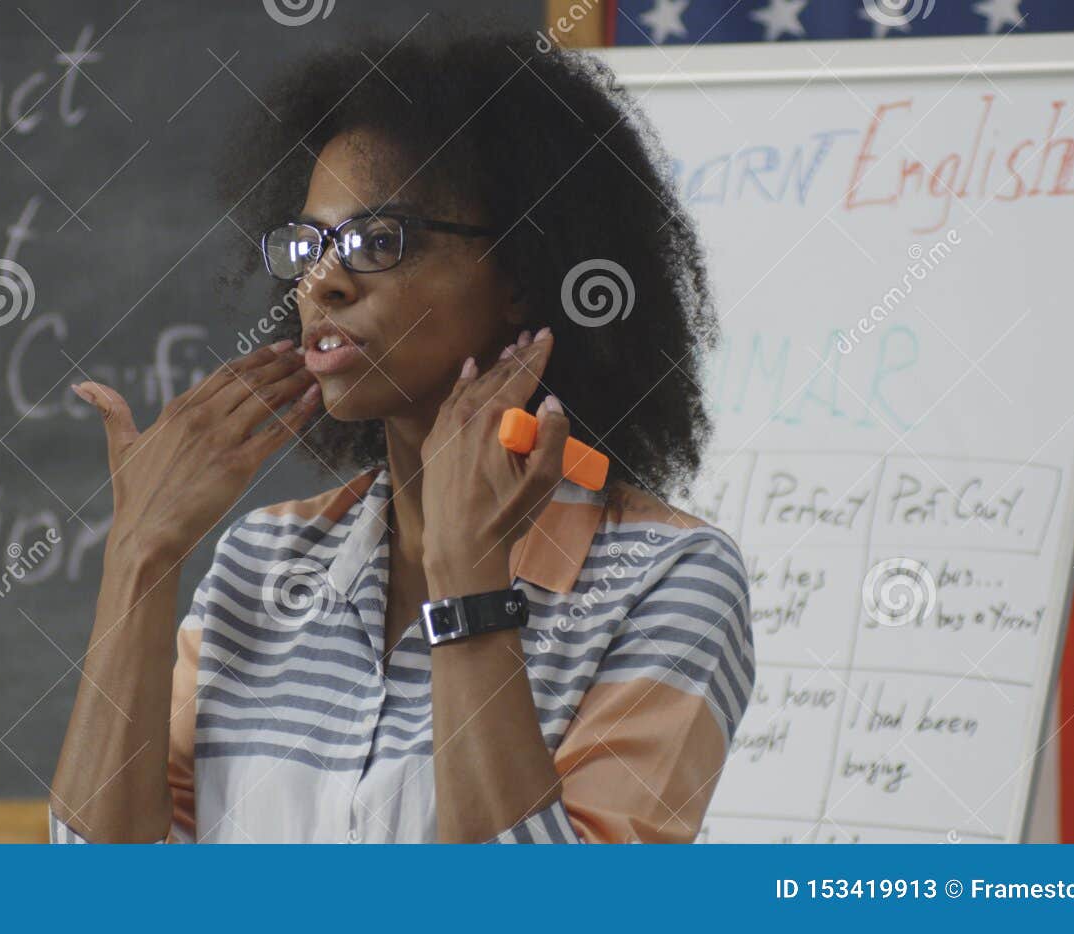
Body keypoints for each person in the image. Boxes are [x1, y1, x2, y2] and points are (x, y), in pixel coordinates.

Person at [48, 29, 754, 844]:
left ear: (523, 274)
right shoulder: (261, 561)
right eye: (309, 245)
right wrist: (138, 562)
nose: (323, 281)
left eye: (379, 241)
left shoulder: (668, 579)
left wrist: (469, 586)